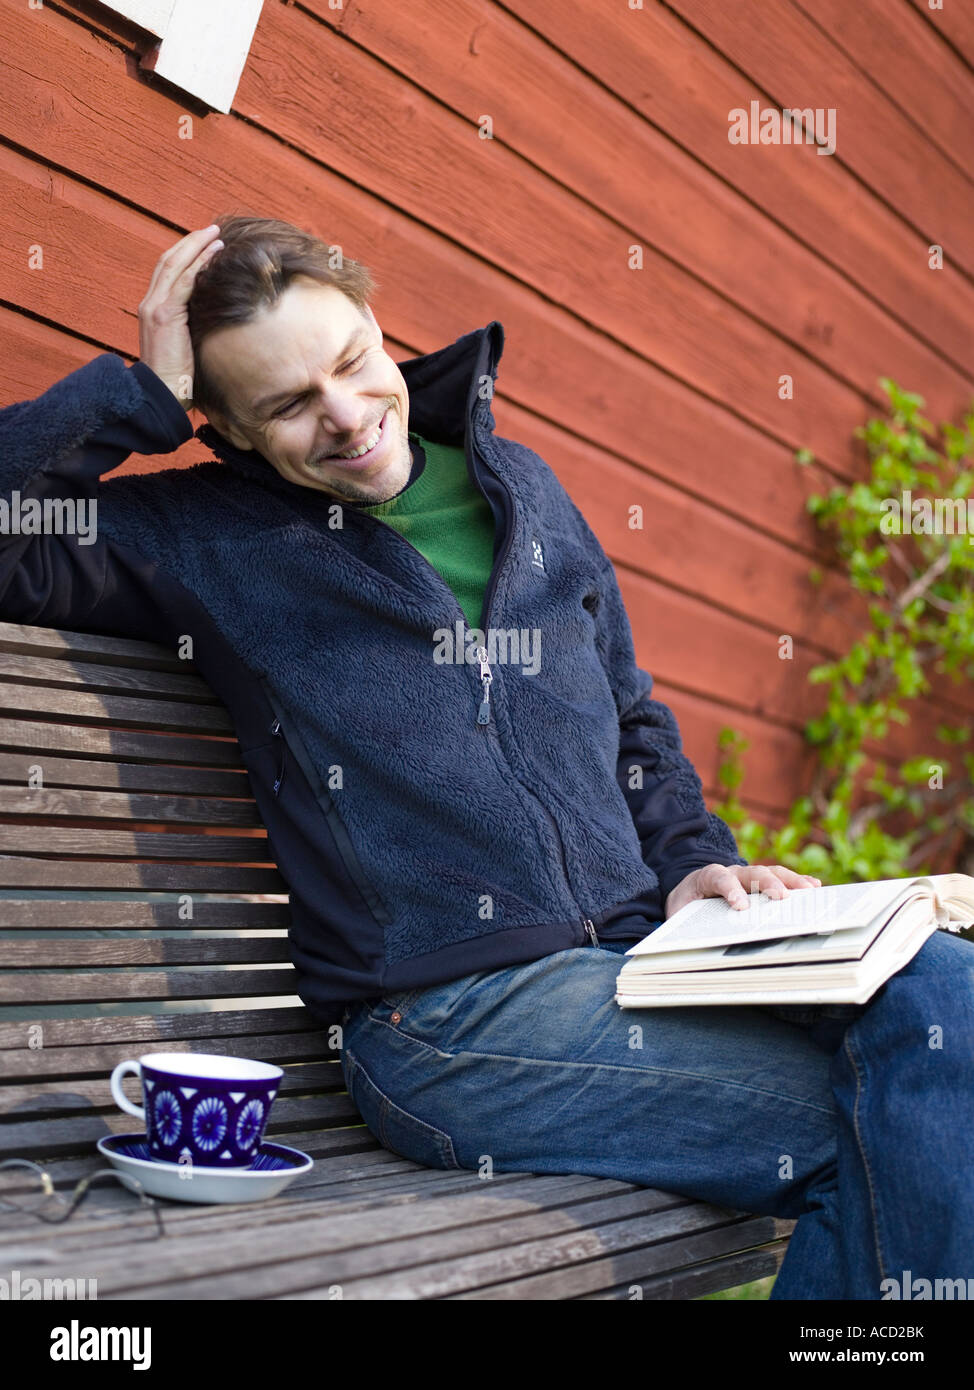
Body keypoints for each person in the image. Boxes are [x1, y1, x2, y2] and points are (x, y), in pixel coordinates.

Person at [2, 216, 971, 1300]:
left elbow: (630, 715)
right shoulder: (202, 539)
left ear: (377, 326)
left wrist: (694, 858)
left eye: (350, 362)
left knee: (943, 990)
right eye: (284, 404)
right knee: (909, 1132)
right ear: (222, 426)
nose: (344, 415)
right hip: (452, 1021)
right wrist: (136, 388)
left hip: (647, 967)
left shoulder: (524, 490)